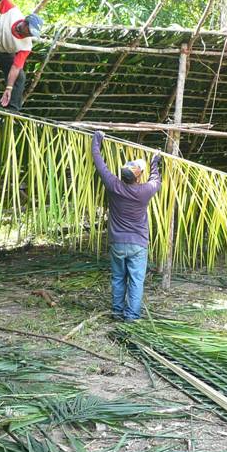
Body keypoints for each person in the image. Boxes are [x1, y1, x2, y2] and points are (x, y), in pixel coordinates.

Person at [91, 130, 162, 322]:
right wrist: (155, 162)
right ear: (138, 178)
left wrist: (97, 139)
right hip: (138, 244)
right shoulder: (144, 191)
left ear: (122, 175)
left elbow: (99, 163)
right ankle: (131, 317)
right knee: (136, 281)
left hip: (117, 243)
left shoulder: (114, 185)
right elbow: (156, 180)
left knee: (118, 278)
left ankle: (117, 311)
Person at [0, 0, 43, 112]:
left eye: (33, 34)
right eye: (30, 31)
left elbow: (16, 68)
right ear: (25, 23)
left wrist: (9, 88)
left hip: (6, 52)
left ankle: (13, 108)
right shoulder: (12, 12)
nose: (30, 34)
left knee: (20, 77)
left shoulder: (26, 45)